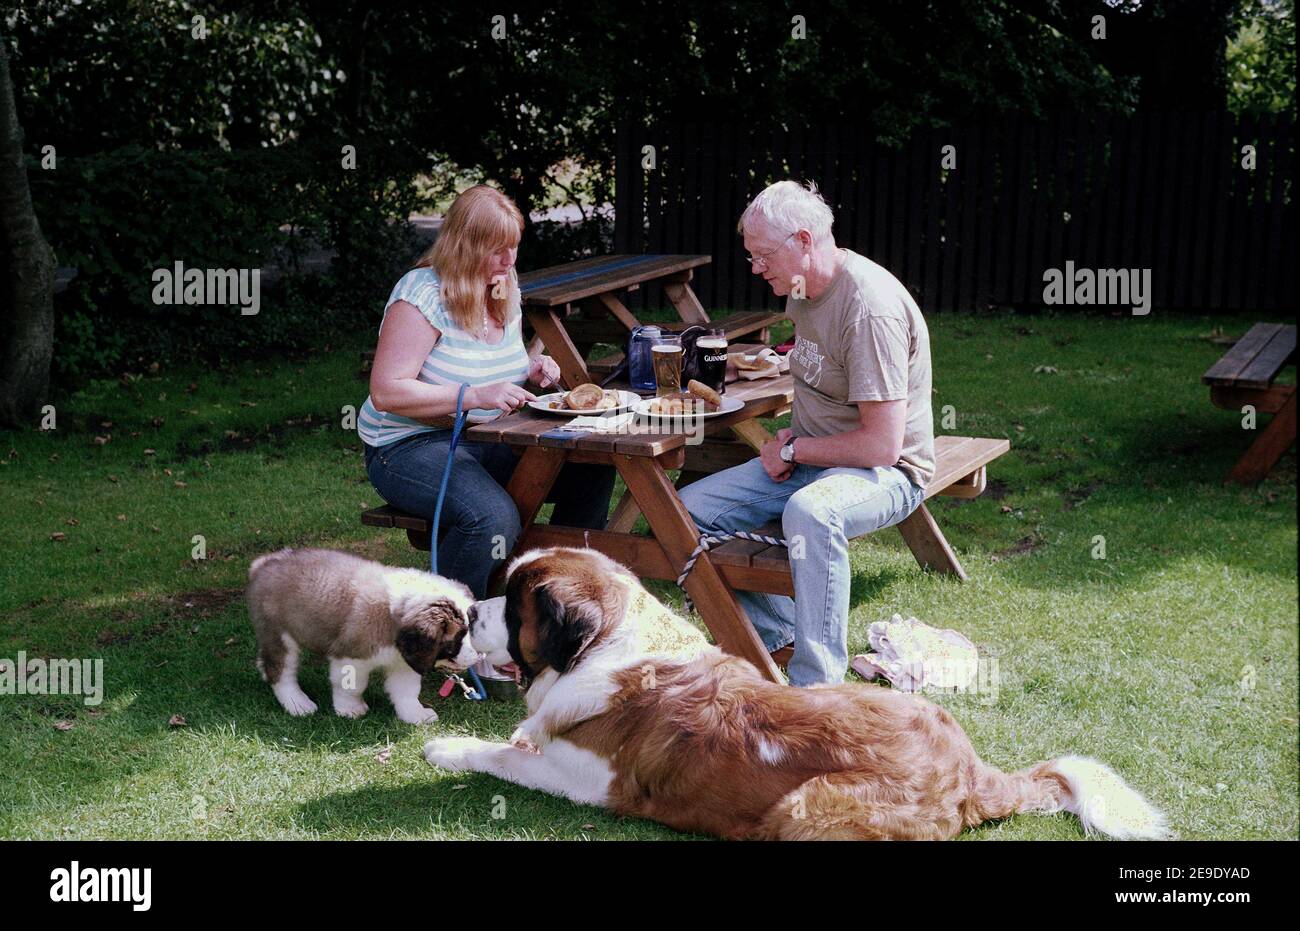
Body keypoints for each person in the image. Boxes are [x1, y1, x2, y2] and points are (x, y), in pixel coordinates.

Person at [679, 180, 935, 686]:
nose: (755, 268)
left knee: (812, 514)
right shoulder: (804, 288)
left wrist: (795, 448)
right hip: (811, 461)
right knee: (686, 512)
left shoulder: (869, 309)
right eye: (751, 256)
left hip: (887, 472)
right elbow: (814, 347)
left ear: (802, 241)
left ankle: (816, 688)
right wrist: (755, 362)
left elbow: (882, 445)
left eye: (762, 255)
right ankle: (776, 637)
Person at [360, 185, 615, 599]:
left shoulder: (502, 285)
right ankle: (448, 632)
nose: (509, 260)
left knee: (591, 467)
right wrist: (476, 395)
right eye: (497, 249)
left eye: (513, 247)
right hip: (407, 445)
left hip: (488, 436)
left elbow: (500, 370)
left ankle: (555, 603)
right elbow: (387, 392)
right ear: (464, 245)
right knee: (491, 517)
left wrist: (531, 372)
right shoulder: (421, 293)